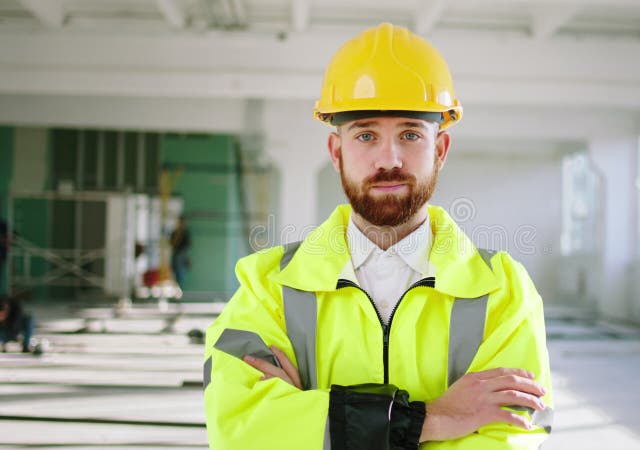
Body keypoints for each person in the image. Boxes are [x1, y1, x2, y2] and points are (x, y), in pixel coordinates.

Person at [204, 23, 553, 449]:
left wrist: (308, 418)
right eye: (366, 135)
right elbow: (240, 427)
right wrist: (432, 418)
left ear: (440, 150)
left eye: (410, 134)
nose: (388, 159)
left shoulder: (502, 289)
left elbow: (511, 436)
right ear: (337, 153)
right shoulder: (267, 286)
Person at [170, 215, 191, 288]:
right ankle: (176, 286)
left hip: (182, 255)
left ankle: (179, 287)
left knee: (180, 272)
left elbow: (188, 246)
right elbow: (173, 244)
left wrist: (187, 258)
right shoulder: (175, 232)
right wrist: (178, 234)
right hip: (175, 254)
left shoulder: (186, 233)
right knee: (175, 271)